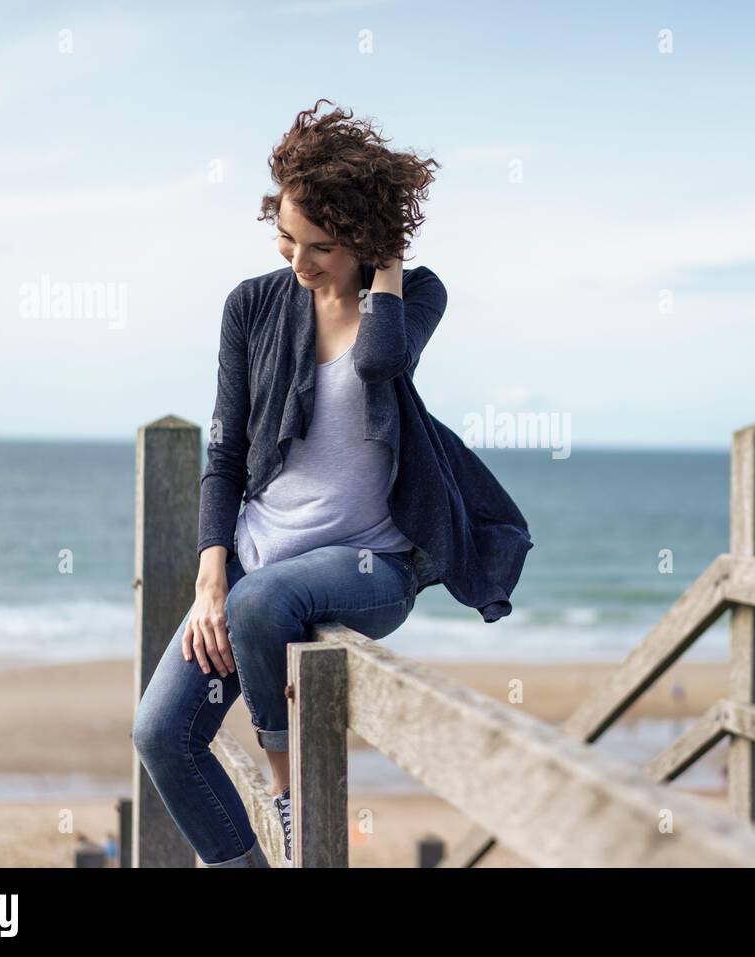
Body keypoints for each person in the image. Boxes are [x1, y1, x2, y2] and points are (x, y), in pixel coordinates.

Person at [132, 100, 533, 867]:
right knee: (161, 735)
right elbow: (224, 453)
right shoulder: (251, 305)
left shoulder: (415, 295)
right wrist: (211, 574)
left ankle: (287, 792)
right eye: (286, 237)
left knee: (262, 603)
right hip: (256, 553)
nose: (298, 263)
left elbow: (382, 359)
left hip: (370, 564)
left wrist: (386, 261)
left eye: (321, 246)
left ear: (366, 239)